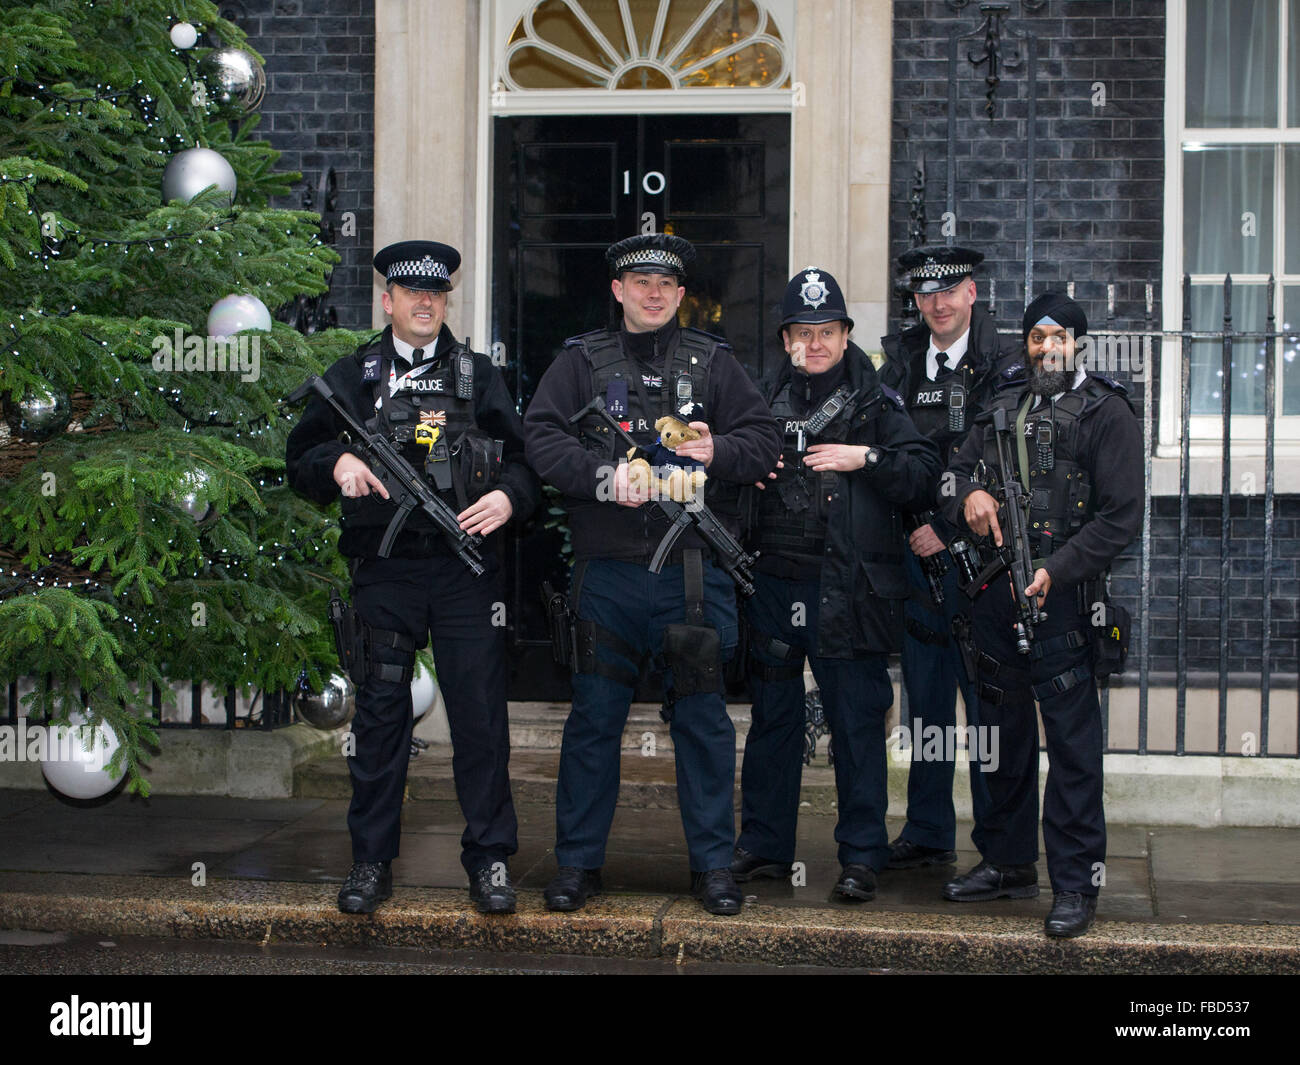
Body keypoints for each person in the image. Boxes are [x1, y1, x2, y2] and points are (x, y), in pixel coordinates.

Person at [523, 233, 780, 916]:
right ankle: (577, 863)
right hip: (608, 575)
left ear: (681, 292)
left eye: (666, 282)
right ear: (617, 290)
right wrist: (604, 479)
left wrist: (715, 447)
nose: (654, 292)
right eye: (640, 281)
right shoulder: (580, 362)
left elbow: (763, 442)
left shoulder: (714, 363)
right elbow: (541, 436)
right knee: (593, 722)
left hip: (691, 576)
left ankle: (714, 868)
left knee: (702, 722)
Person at [286, 240, 539, 916]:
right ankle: (370, 861)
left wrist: (509, 497)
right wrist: (337, 461)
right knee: (379, 718)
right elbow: (299, 457)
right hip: (386, 572)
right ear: (387, 300)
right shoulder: (354, 376)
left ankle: (488, 859)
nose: (426, 302)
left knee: (480, 719)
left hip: (464, 572)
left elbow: (526, 461)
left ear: (446, 301)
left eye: (437, 293)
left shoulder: (478, 375)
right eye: (411, 292)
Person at [730, 267, 940, 902]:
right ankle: (764, 846)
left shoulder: (877, 403)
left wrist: (864, 458)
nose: (814, 343)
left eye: (827, 331)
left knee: (855, 722)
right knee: (773, 721)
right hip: (773, 584)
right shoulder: (756, 399)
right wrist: (749, 475)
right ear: (784, 339)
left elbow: (924, 473)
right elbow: (719, 472)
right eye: (802, 332)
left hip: (850, 590)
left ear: (846, 334)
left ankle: (861, 856)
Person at [938, 291, 1142, 937]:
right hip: (997, 605)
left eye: (1059, 337)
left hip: (1066, 606)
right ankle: (1005, 862)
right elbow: (949, 475)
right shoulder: (1001, 402)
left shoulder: (1108, 413)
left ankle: (1076, 884)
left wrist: (1062, 565)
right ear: (1025, 343)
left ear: (1077, 343)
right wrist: (968, 491)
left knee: (1075, 752)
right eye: (1036, 337)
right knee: (1001, 741)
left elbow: (1122, 518)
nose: (1046, 347)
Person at [878, 245, 1020, 871]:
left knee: (987, 704)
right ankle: (929, 828)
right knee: (927, 700)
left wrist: (945, 527)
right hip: (913, 557)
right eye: (924, 292)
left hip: (978, 562)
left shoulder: (1004, 364)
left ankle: (997, 846)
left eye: (949, 289)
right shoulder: (899, 365)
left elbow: (999, 461)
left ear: (971, 294)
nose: (936, 302)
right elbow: (883, 449)